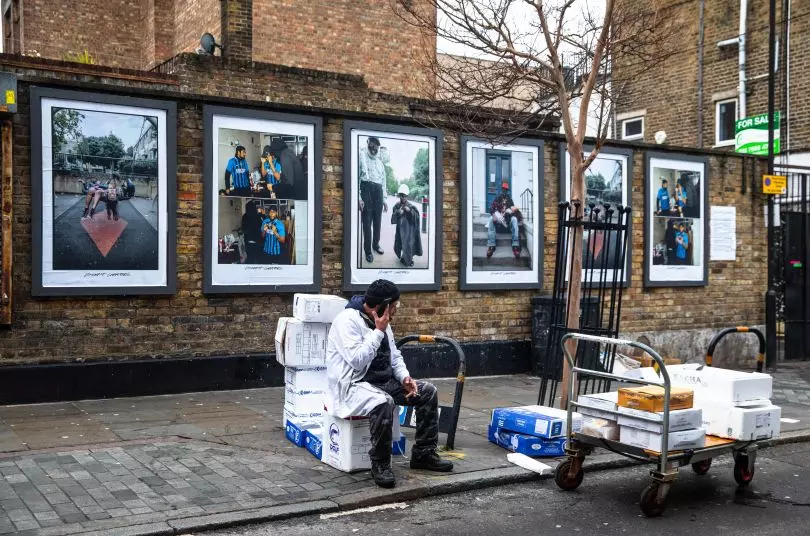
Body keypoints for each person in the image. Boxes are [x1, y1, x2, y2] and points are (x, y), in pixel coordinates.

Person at [325, 280, 453, 489]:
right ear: (381, 306)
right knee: (383, 402)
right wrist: (378, 332)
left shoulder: (384, 321)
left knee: (427, 392)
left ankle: (424, 454)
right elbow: (357, 360)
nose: (395, 312)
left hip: (383, 381)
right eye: (394, 307)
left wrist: (405, 378)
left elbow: (394, 356)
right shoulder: (346, 321)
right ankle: (381, 465)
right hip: (355, 384)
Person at [358, 137, 388, 263]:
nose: (373, 149)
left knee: (377, 221)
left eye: (376, 147)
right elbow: (357, 179)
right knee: (367, 223)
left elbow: (384, 182)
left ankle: (376, 245)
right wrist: (359, 198)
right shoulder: (361, 157)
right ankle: (368, 251)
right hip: (366, 190)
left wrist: (385, 200)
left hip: (379, 192)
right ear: (368, 144)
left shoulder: (380, 163)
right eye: (372, 145)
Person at [486, 181, 522, 259]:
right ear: (502, 189)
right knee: (491, 219)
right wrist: (494, 215)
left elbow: (514, 211)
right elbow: (491, 208)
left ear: (507, 190)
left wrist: (511, 211)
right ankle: (491, 246)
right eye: (503, 189)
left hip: (507, 222)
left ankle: (515, 246)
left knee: (514, 219)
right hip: (499, 222)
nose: (504, 191)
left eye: (506, 189)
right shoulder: (498, 198)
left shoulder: (510, 199)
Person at [390, 184, 423, 267]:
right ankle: (403, 257)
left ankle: (409, 259)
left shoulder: (411, 206)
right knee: (401, 244)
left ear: (407, 196)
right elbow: (393, 218)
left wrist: (409, 211)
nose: (403, 198)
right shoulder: (397, 206)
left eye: (405, 196)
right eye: (401, 196)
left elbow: (416, 218)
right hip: (400, 230)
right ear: (399, 196)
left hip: (408, 230)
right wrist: (398, 213)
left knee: (408, 244)